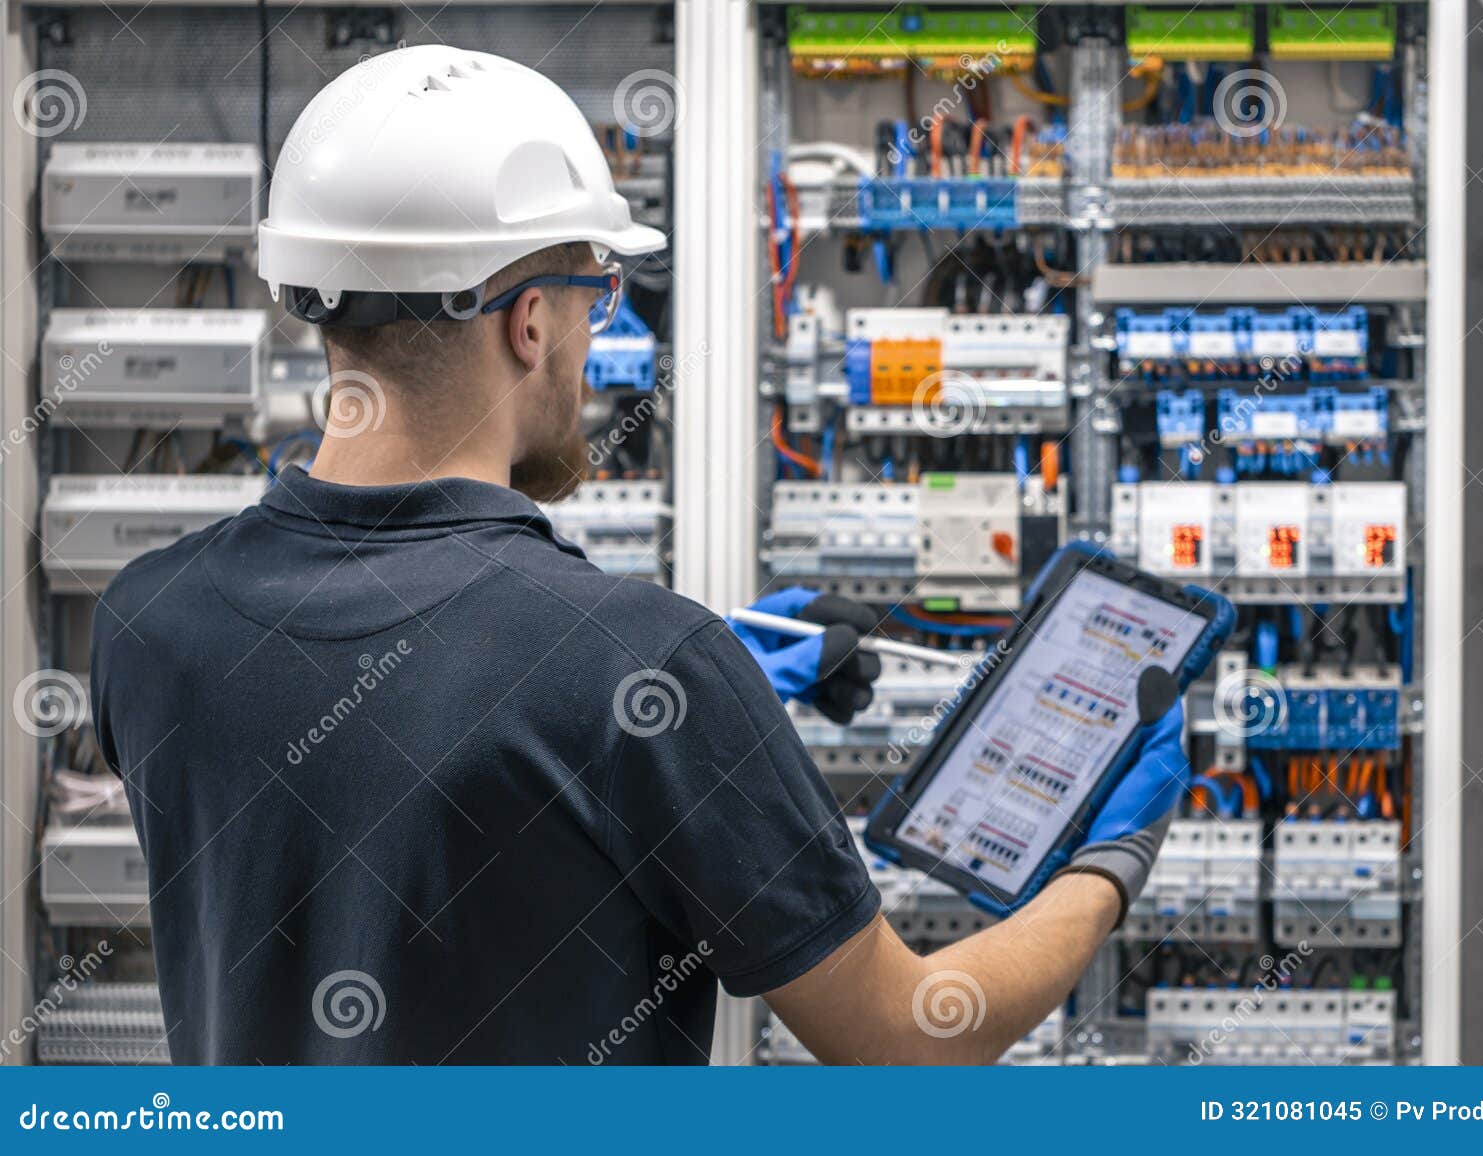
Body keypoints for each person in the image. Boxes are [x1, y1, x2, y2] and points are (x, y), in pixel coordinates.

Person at [90, 45, 1187, 1065]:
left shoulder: (148, 618)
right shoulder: (641, 663)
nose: (593, 337)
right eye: (596, 295)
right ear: (528, 322)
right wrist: (1107, 862)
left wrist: (669, 711)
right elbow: (910, 1038)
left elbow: (399, 746)